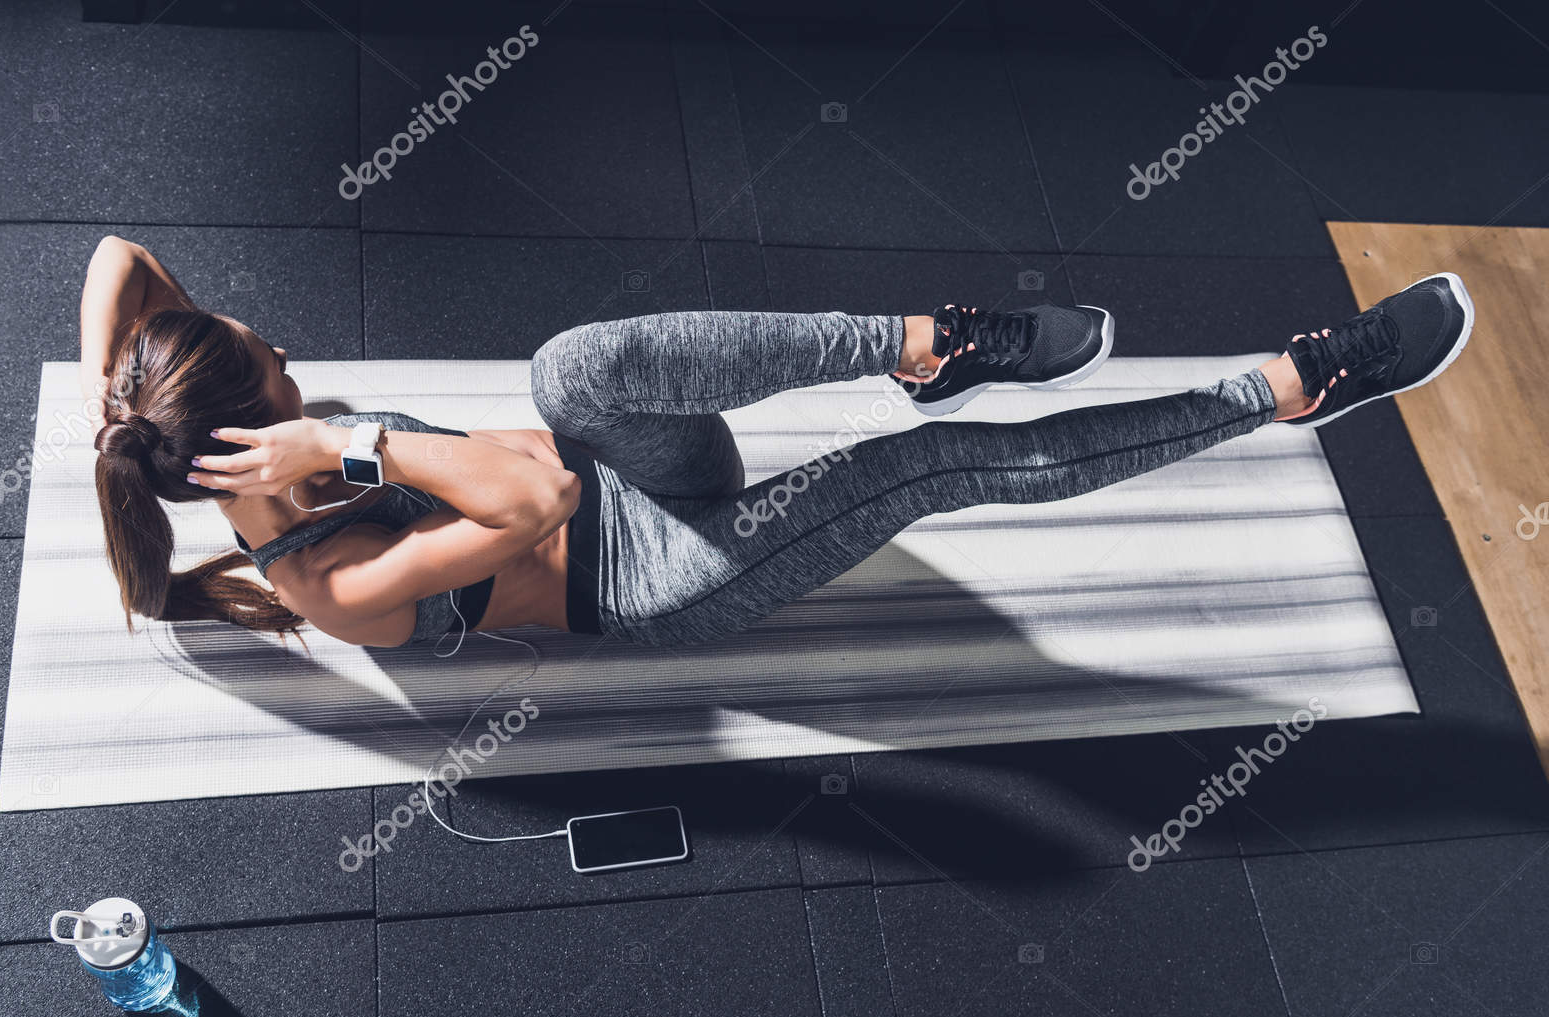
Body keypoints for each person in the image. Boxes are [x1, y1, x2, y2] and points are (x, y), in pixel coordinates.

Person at [81, 235, 1473, 648]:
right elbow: (543, 489)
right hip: (655, 572)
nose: (267, 332)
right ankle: (1286, 391)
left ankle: (927, 343)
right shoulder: (327, 585)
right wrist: (365, 440)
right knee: (925, 475)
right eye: (262, 355)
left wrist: (118, 401)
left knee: (573, 363)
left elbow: (117, 256)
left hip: (632, 471)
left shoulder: (177, 419)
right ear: (261, 416)